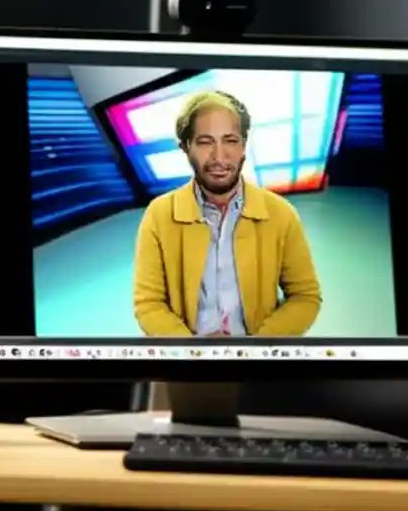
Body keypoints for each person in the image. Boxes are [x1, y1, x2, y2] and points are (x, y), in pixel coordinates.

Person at [132, 89, 322, 336]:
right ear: (186, 147)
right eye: (205, 142)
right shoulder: (159, 214)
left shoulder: (281, 214)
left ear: (244, 146)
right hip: (186, 363)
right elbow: (148, 303)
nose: (219, 157)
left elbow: (305, 296)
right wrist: (194, 353)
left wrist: (255, 350)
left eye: (230, 140)